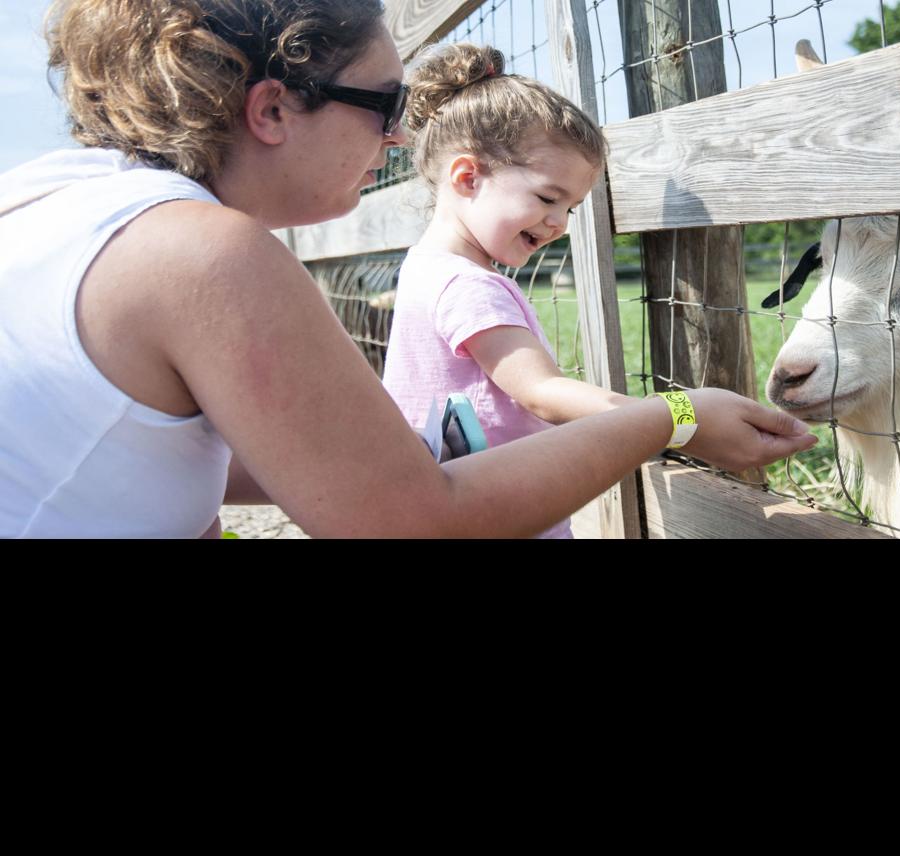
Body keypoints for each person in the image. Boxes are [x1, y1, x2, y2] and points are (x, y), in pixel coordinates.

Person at [0, 0, 815, 538]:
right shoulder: (204, 252)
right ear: (274, 108)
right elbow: (413, 525)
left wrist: (386, 459)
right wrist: (669, 417)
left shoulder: (44, 198)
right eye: (385, 107)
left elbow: (143, 456)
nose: (397, 140)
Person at [381, 43, 634, 539]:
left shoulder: (423, 267)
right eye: (547, 198)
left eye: (572, 208)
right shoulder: (469, 286)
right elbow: (542, 393)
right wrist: (680, 417)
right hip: (502, 518)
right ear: (468, 176)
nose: (559, 223)